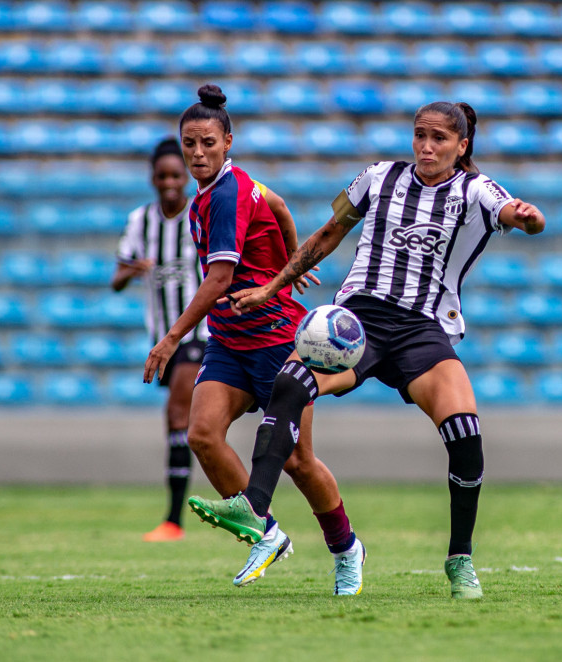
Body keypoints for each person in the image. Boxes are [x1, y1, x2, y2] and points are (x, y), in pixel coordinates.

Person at [189, 101, 546, 599]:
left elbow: (519, 216)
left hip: (421, 329)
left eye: (439, 138)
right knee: (291, 380)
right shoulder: (378, 177)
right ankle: (254, 505)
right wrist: (273, 287)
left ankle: (460, 560)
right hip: (357, 322)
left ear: (461, 145)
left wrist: (528, 218)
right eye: (420, 135)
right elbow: (329, 232)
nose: (426, 146)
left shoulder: (475, 189)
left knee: (465, 433)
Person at [143, 84, 366, 595]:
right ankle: (267, 534)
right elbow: (279, 205)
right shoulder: (234, 186)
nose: (197, 153)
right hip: (229, 341)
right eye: (189, 143)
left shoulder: (225, 195)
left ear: (228, 143)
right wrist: (291, 262)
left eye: (208, 143)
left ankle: (347, 548)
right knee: (202, 435)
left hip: (275, 340)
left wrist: (171, 338)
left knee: (298, 462)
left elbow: (219, 278)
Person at [111, 137, 206, 542]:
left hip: (201, 331)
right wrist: (133, 270)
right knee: (187, 424)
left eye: (175, 175)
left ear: (186, 177)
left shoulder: (201, 213)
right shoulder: (141, 221)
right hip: (163, 338)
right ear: (153, 178)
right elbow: (116, 280)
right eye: (162, 176)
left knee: (177, 414)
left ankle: (173, 520)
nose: (169, 182)